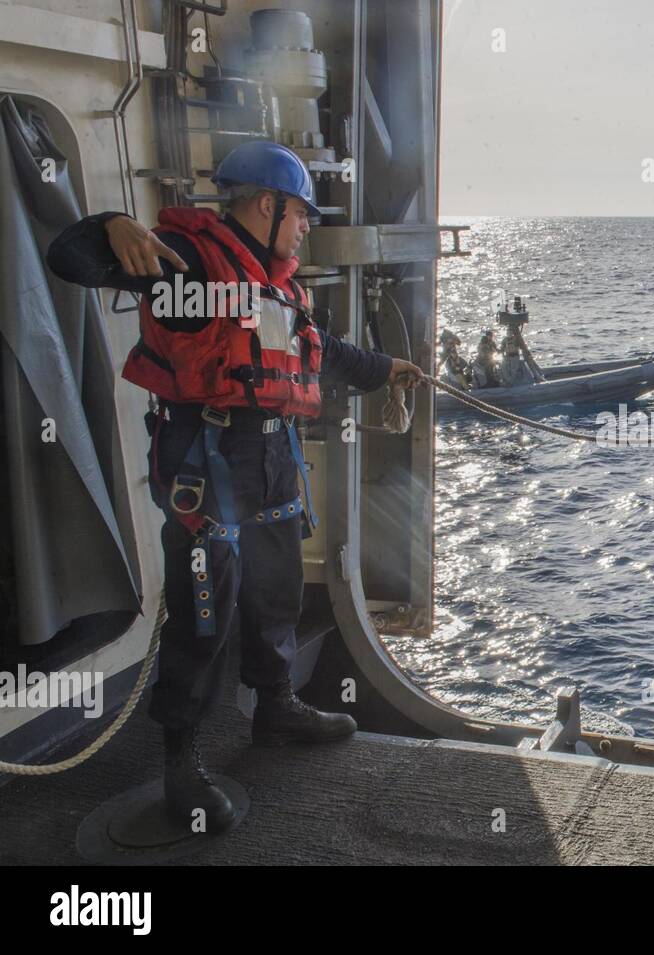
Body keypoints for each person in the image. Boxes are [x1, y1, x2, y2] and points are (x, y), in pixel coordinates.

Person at [46, 140, 427, 831]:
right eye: (300, 213)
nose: (307, 225)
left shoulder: (274, 281)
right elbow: (67, 261)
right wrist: (108, 225)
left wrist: (387, 367)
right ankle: (180, 763)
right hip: (207, 458)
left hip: (273, 455)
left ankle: (275, 705)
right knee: (203, 611)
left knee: (275, 586)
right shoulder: (186, 262)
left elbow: (321, 351)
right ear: (265, 204)